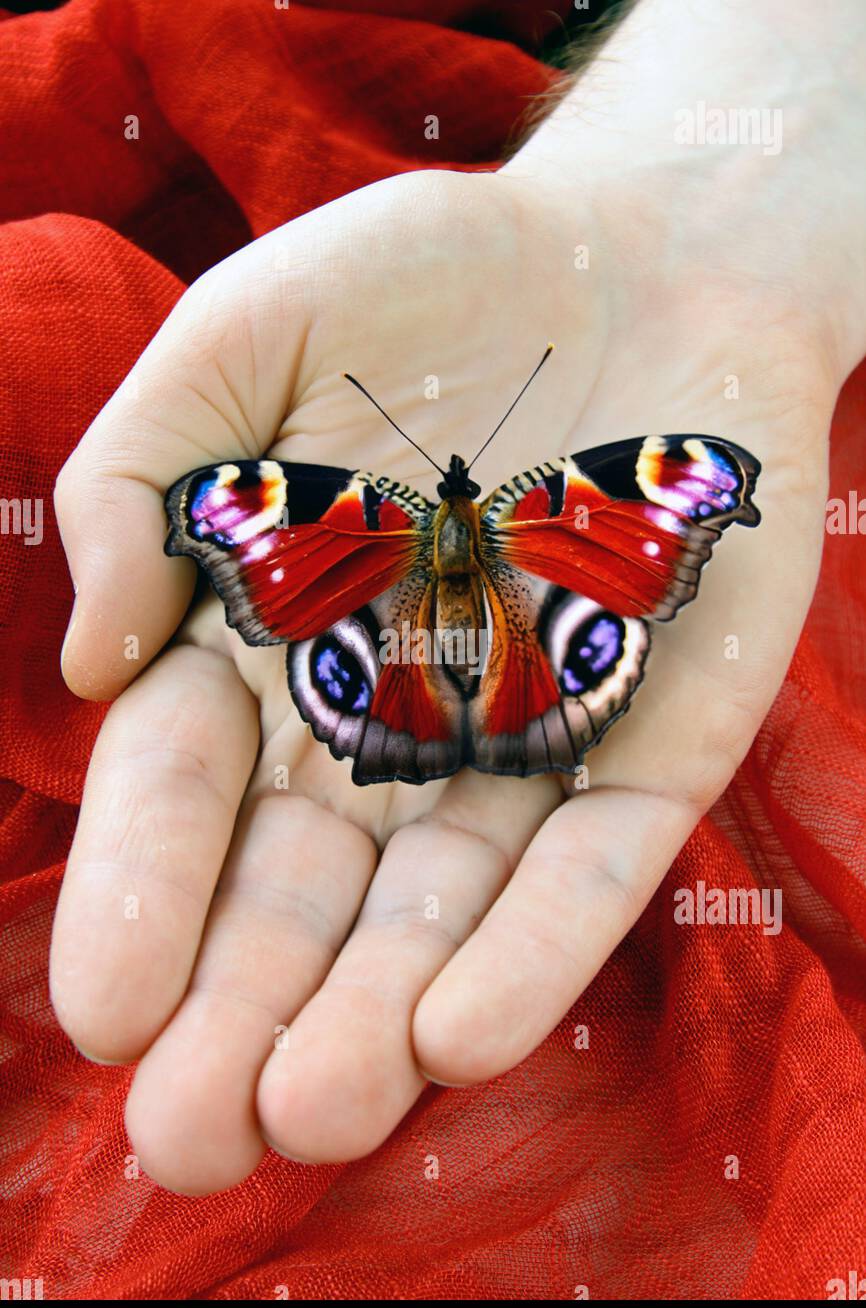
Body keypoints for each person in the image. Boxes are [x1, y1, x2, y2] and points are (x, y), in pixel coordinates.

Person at [51, 0, 866, 1193]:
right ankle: (515, 705)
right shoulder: (549, 514)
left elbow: (235, 506)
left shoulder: (349, 520)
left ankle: (411, 716)